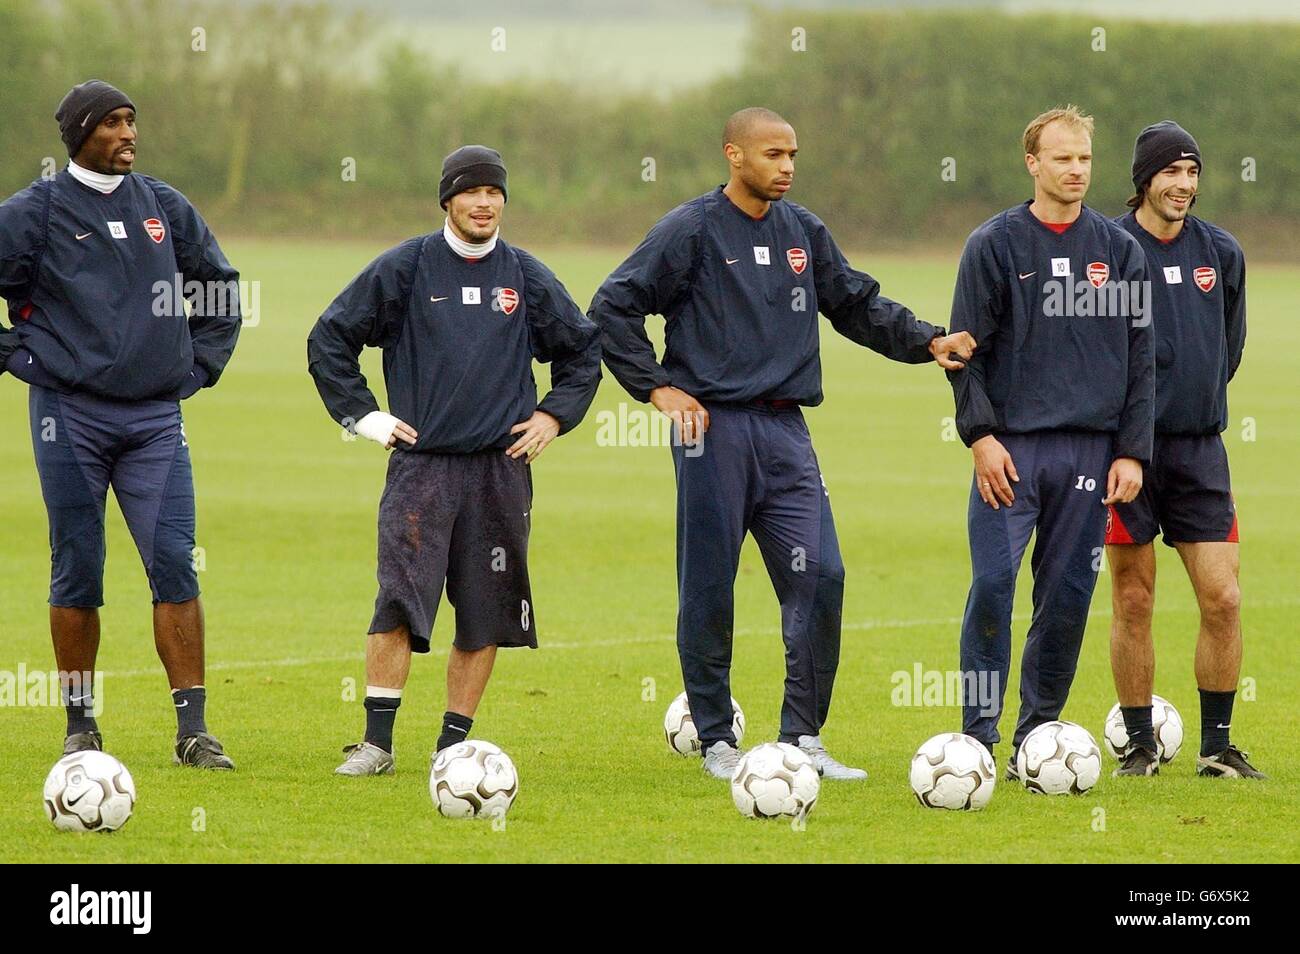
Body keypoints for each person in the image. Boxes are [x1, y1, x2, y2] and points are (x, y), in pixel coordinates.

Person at [590, 107, 973, 781]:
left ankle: (802, 738)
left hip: (786, 432)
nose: (788, 166)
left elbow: (855, 304)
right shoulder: (692, 229)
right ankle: (715, 740)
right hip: (713, 432)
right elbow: (613, 304)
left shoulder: (804, 232)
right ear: (733, 156)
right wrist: (656, 388)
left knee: (822, 578)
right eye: (773, 154)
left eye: (793, 154)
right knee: (709, 585)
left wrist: (927, 340)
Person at [308, 145, 602, 776]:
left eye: (495, 193)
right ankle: (377, 745)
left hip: (500, 472)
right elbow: (330, 337)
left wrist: (553, 415)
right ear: (448, 200)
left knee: (486, 610)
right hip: (423, 469)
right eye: (472, 192)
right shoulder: (407, 269)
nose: (485, 203)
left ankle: (453, 747)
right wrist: (363, 416)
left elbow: (582, 352)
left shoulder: (524, 275)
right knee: (399, 601)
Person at [0, 80, 243, 768]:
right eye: (112, 123)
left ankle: (193, 731)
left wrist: (196, 370)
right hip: (68, 418)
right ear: (79, 134)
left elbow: (220, 289)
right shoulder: (33, 213)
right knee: (77, 570)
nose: (129, 133)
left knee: (174, 564)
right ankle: (80, 727)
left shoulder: (164, 206)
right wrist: (18, 355)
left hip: (155, 424)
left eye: (133, 120)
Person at [947, 105, 1154, 777]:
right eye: (1062, 158)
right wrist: (980, 436)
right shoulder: (995, 245)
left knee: (1066, 596)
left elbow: (1141, 358)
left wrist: (1131, 451)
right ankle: (976, 737)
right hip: (1010, 450)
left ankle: (1037, 735)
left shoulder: (1120, 252)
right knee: (992, 584)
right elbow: (965, 354)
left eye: (1085, 159)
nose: (1075, 170)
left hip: (1091, 454)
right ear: (1033, 163)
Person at [1104, 121, 1263, 778]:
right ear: (1146, 178)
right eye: (1172, 172)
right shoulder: (1109, 249)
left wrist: (1188, 400)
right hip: (1125, 454)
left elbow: (1229, 347)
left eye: (1193, 172)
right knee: (1134, 599)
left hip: (1199, 452)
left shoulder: (1220, 253)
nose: (1184, 185)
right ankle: (1140, 745)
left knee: (1222, 598)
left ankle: (1217, 747)